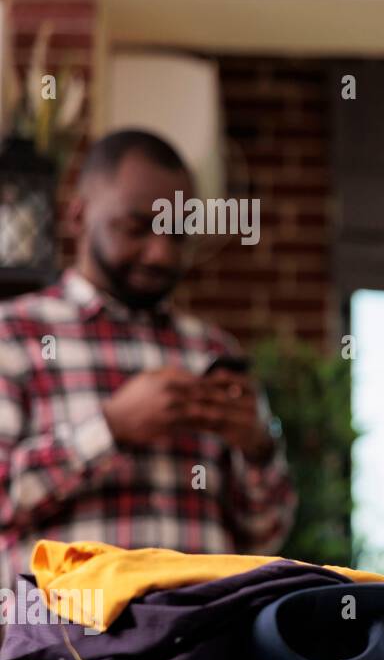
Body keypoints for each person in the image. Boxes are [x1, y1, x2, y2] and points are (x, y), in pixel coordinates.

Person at [0, 129, 297, 595]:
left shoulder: (214, 349)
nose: (159, 252)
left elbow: (266, 534)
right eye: (136, 228)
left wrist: (257, 450)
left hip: (208, 644)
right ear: (77, 216)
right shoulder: (12, 334)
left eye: (177, 233)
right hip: (69, 650)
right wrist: (112, 429)